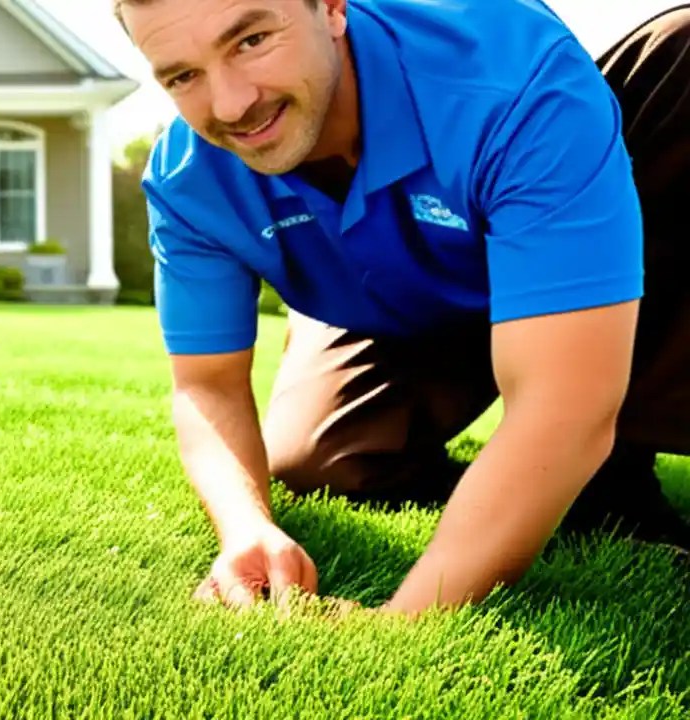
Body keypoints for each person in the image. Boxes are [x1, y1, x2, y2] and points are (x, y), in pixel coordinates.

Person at [117, 0, 690, 616]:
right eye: (182, 76)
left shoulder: (512, 83)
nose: (231, 104)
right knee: (315, 461)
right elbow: (207, 385)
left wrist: (399, 621)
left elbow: (567, 409)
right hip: (403, 302)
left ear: (332, 8)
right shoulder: (186, 180)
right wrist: (244, 526)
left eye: (252, 40)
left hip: (565, 238)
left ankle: (612, 479)